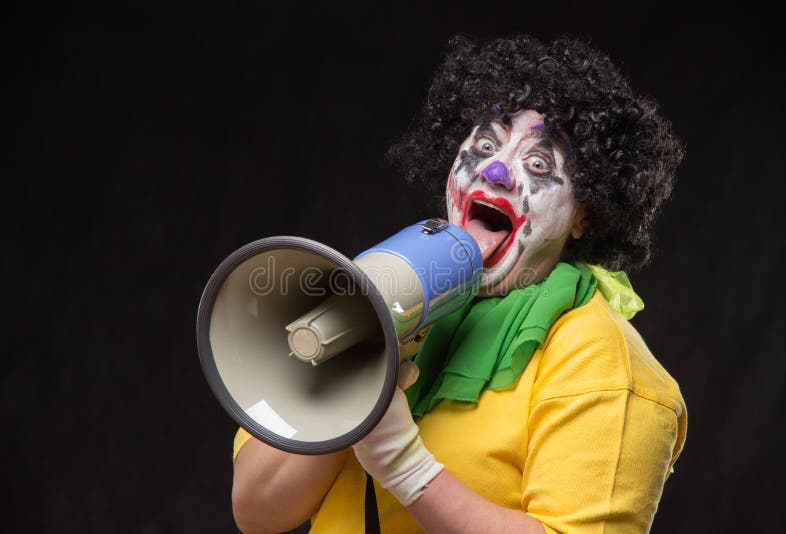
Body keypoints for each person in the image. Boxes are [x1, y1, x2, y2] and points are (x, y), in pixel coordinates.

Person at [230, 34, 687, 533]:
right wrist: (351, 387)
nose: (496, 170)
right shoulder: (383, 296)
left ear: (585, 213)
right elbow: (258, 512)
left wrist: (407, 466)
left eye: (538, 165)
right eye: (487, 144)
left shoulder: (602, 362)